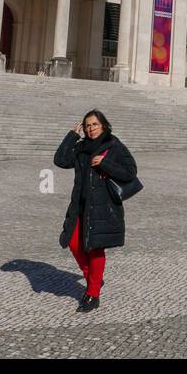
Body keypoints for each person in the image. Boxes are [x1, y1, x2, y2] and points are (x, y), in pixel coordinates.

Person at [53, 110, 137, 314]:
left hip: (102, 206)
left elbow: (130, 171)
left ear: (104, 126)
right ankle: (95, 280)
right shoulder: (81, 147)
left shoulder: (113, 145)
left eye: (95, 124)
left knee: (95, 248)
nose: (91, 128)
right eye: (87, 125)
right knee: (72, 241)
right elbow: (60, 160)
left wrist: (105, 163)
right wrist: (72, 136)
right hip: (80, 204)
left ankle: (92, 295)